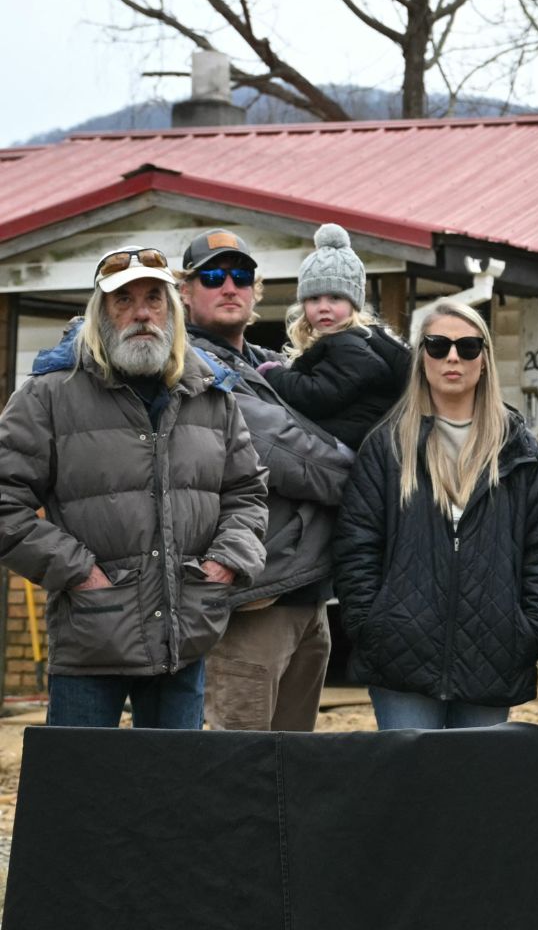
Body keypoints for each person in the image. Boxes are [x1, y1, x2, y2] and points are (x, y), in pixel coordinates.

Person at [0, 245, 267, 728]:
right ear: (100, 314)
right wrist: (80, 573)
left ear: (174, 310)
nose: (141, 313)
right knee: (83, 795)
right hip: (91, 638)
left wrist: (225, 562)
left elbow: (247, 493)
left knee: (175, 794)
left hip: (184, 636)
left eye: (153, 299)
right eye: (123, 300)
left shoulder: (211, 395)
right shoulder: (49, 394)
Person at [333, 299, 538, 730]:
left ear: (485, 360)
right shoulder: (386, 447)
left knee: (476, 793)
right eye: (438, 346)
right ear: (421, 358)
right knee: (410, 791)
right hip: (401, 659)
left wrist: (527, 633)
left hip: (494, 653)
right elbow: (356, 547)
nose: (453, 357)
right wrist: (372, 626)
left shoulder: (519, 451)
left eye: (468, 347)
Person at [179, 227, 355, 732]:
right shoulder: (194, 366)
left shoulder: (269, 365)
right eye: (212, 275)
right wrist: (376, 476)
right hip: (252, 601)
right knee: (242, 764)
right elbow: (294, 455)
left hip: (306, 593)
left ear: (257, 290)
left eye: (242, 274)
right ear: (186, 292)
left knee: (292, 764)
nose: (229, 285)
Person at [261, 224, 410, 450]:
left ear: (353, 304)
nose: (323, 307)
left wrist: (273, 374)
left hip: (350, 446)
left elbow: (317, 396)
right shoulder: (349, 342)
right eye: (314, 299)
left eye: (335, 298)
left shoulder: (350, 345)